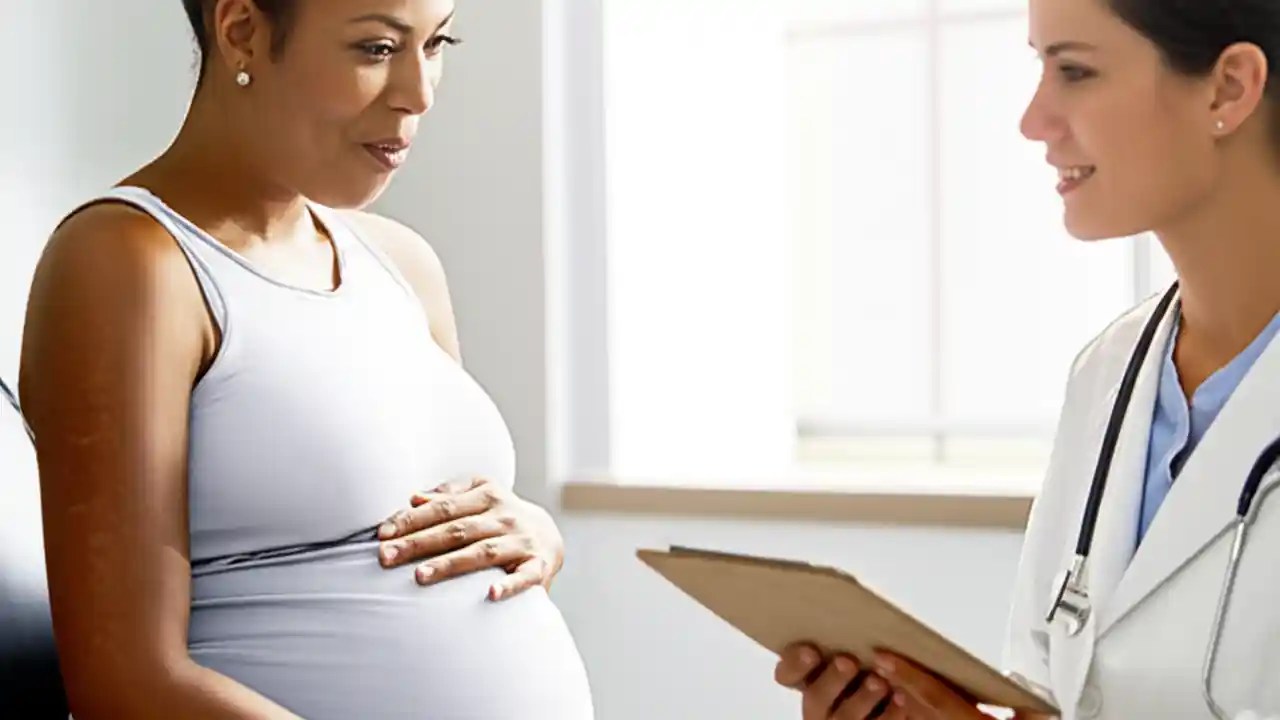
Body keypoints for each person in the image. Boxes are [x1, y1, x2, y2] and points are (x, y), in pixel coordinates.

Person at [17, 1, 594, 718]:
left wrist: (532, 536)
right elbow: (126, 681)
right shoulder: (130, 265)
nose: (420, 91)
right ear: (243, 32)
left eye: (438, 42)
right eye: (378, 48)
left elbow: (420, 554)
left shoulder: (402, 263)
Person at [772, 0, 1280, 717]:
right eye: (1041, 68)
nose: (1033, 120)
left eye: (1074, 70)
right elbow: (1057, 693)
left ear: (1228, 88)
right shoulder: (1108, 376)